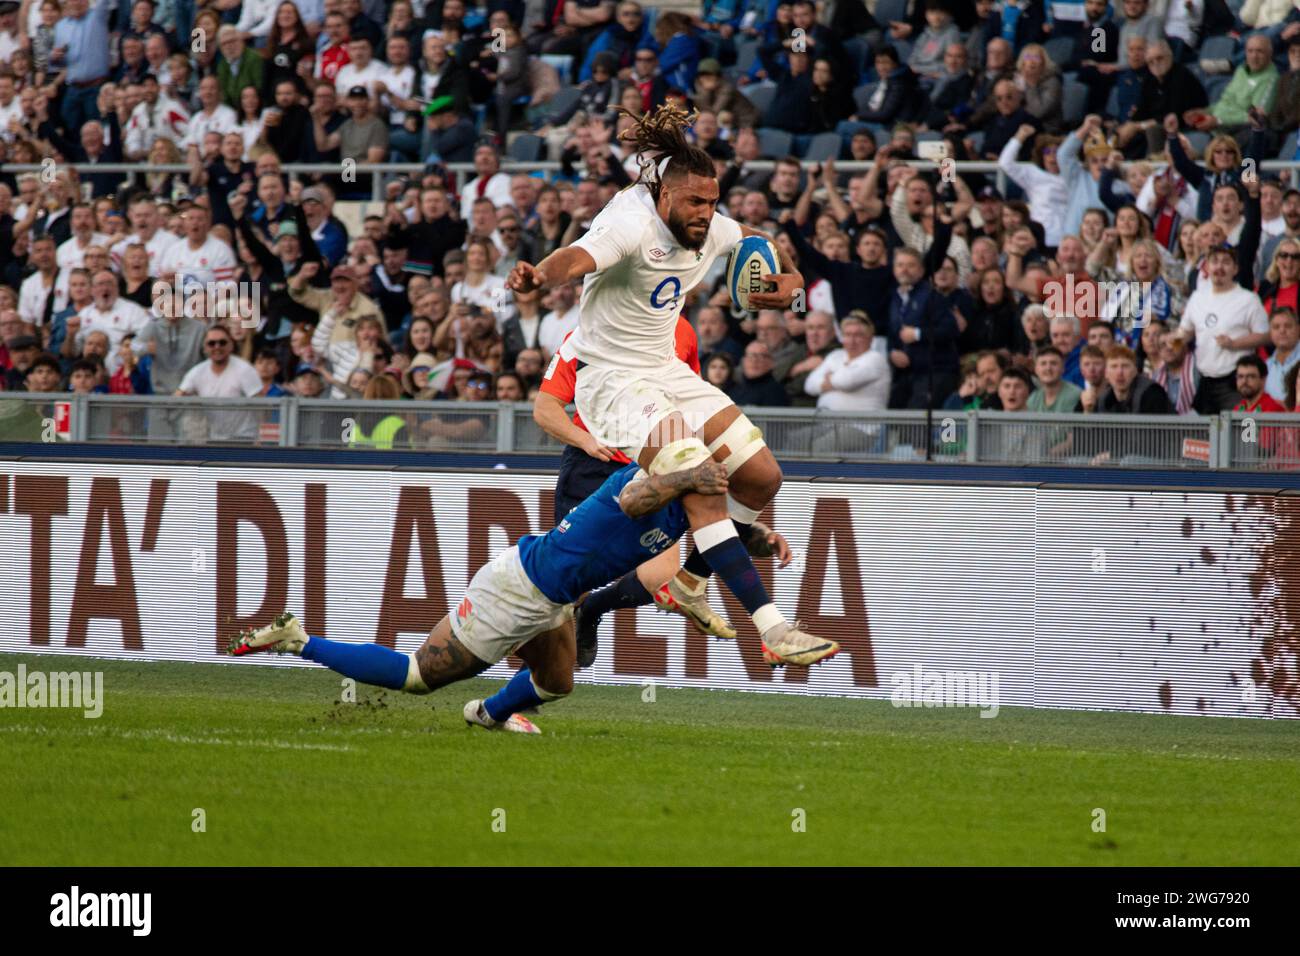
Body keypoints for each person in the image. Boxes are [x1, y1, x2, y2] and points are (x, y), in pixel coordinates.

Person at [507, 103, 837, 668]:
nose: (706, 214)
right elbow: (577, 257)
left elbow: (753, 239)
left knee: (761, 477)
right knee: (704, 481)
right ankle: (772, 626)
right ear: (664, 196)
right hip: (612, 383)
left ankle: (686, 582)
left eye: (712, 202)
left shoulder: (708, 224)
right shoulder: (629, 225)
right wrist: (539, 275)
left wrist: (794, 280)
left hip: (664, 372)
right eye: (694, 202)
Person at [228, 459, 797, 735]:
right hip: (516, 590)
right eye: (705, 480)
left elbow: (716, 539)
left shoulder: (686, 504)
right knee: (417, 676)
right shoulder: (642, 483)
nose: (715, 492)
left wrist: (760, 537)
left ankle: (486, 714)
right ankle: (297, 639)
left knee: (558, 683)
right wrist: (690, 474)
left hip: (551, 598)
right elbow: (634, 500)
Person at [532, 318, 733, 668]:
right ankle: (530, 679)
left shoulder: (683, 330)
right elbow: (545, 408)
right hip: (591, 465)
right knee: (566, 582)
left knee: (661, 578)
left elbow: (690, 401)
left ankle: (594, 609)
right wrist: (585, 440)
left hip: (651, 467)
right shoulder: (584, 334)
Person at [1178, 245, 1271, 412]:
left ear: (1235, 269)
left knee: (1243, 433)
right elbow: (1185, 332)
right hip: (1203, 379)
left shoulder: (1248, 299)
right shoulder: (1197, 297)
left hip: (1236, 381)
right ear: (1206, 267)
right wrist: (1173, 340)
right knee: (1205, 436)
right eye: (1214, 262)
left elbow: (1265, 335)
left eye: (1226, 262)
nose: (1219, 267)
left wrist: (1234, 344)